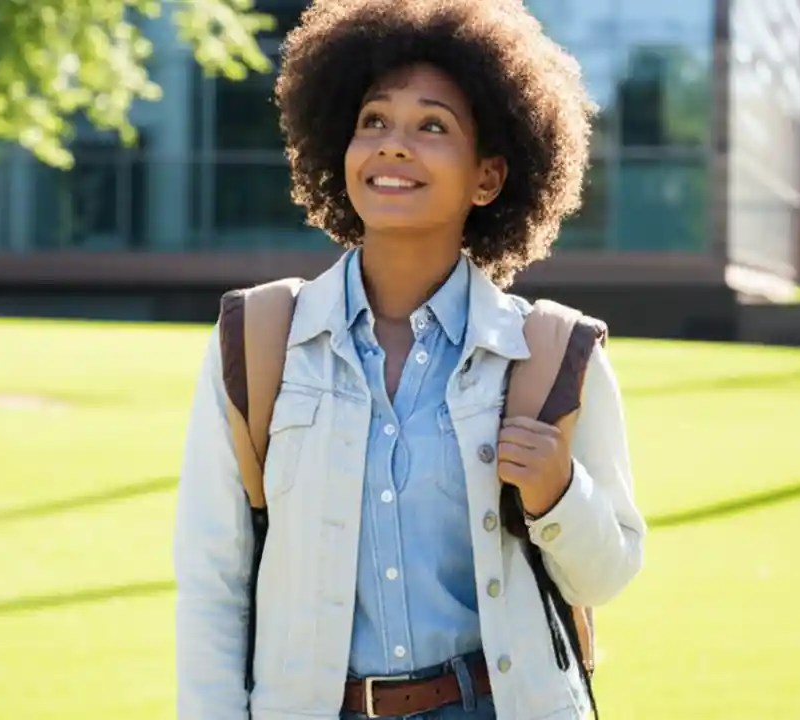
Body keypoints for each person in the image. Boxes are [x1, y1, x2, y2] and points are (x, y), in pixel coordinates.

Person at [173, 1, 646, 717]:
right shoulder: (257, 339)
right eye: (373, 122)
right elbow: (213, 578)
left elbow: (607, 575)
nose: (394, 145)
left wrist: (557, 493)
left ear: (487, 179)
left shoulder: (553, 354)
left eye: (432, 126)